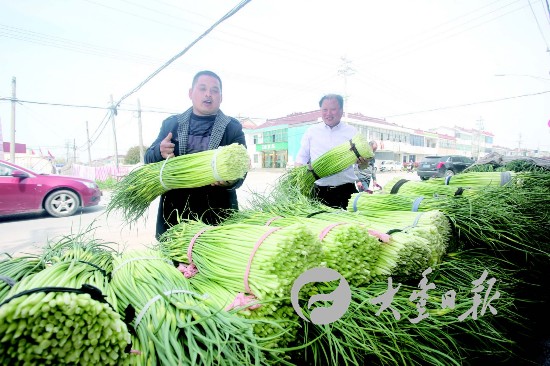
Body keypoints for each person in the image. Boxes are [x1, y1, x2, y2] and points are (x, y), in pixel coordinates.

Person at [144, 70, 246, 239]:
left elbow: (242, 170)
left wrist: (232, 180)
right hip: (175, 217)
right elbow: (148, 159)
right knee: (174, 265)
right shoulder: (172, 124)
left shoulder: (232, 128)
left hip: (217, 219)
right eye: (202, 88)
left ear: (221, 97)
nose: (208, 94)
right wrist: (159, 151)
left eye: (215, 90)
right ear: (191, 93)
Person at [295, 94, 367, 209]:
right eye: (325, 110)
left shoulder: (352, 132)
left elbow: (363, 165)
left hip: (347, 191)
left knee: (348, 225)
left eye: (333, 109)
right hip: (319, 192)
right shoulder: (312, 132)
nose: (328, 113)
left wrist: (363, 163)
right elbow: (301, 158)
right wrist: (297, 176)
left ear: (341, 110)